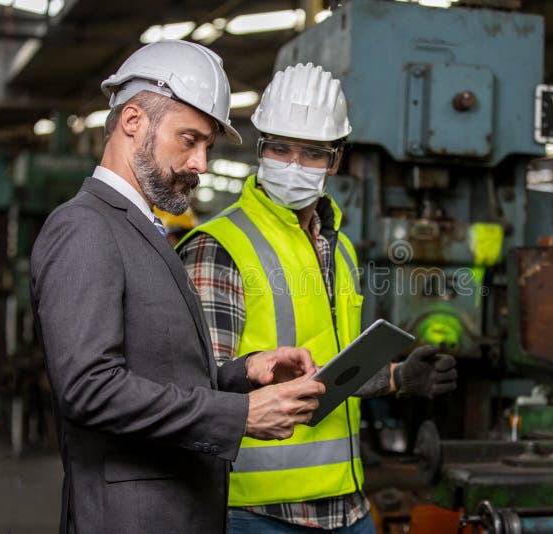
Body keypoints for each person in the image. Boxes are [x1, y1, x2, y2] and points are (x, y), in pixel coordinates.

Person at [30, 42, 326, 534]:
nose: (201, 164)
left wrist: (241, 374)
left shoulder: (142, 228)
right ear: (132, 121)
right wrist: (239, 415)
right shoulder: (84, 227)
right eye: (189, 140)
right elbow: (88, 389)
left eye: (207, 146)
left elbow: (156, 367)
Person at [177, 63, 457, 533]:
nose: (292, 165)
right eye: (280, 148)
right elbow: (197, 391)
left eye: (311, 154)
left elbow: (327, 373)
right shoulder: (219, 246)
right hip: (257, 512)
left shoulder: (339, 248)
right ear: (259, 150)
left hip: (347, 505)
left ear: (336, 159)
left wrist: (396, 377)